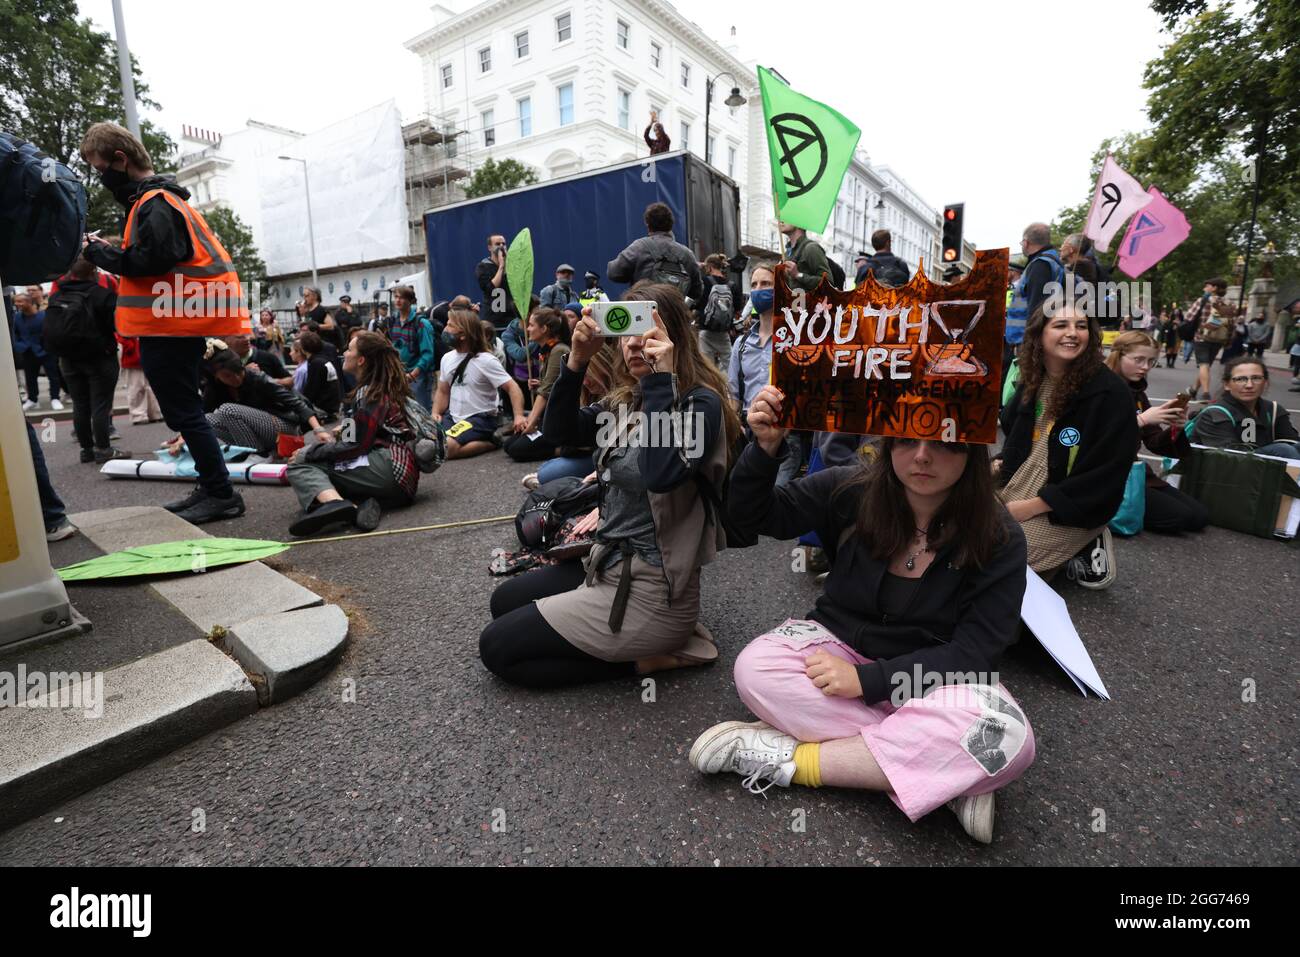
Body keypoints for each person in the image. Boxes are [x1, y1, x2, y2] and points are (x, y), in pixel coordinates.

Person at [688, 393, 1032, 844]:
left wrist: (867, 681)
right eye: (908, 439)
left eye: (945, 442)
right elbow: (750, 518)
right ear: (888, 443)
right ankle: (947, 775)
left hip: (935, 678)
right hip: (836, 645)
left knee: (1009, 735)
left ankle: (789, 758)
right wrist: (765, 448)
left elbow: (976, 652)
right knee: (755, 667)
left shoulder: (999, 535)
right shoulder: (850, 489)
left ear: (972, 451)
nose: (923, 455)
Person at [478, 282, 742, 687]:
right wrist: (576, 362)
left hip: (653, 591)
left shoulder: (698, 403)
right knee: (503, 602)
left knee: (497, 649)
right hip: (606, 564)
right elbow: (560, 431)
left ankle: (652, 659)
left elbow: (660, 475)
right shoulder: (628, 399)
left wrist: (661, 382)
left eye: (647, 332)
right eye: (627, 332)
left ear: (674, 339)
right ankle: (606, 629)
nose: (634, 345)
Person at [79, 121, 248, 524]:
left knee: (185, 412)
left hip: (171, 324)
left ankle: (220, 493)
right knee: (185, 411)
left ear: (121, 160)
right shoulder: (158, 201)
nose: (102, 177)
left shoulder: (154, 201)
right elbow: (157, 258)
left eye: (101, 168)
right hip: (173, 322)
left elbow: (153, 261)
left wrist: (100, 253)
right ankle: (212, 486)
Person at [995, 300, 1137, 586]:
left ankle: (1089, 539)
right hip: (1018, 485)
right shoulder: (1033, 380)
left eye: (1081, 326)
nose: (1073, 333)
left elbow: (1107, 473)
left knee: (1001, 556)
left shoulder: (1110, 394)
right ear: (1039, 334)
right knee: (952, 532)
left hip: (1071, 504)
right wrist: (995, 467)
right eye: (1061, 325)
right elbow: (1015, 438)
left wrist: (1034, 506)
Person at [287, 332, 424, 536]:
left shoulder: (369, 393)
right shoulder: (376, 388)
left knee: (300, 464)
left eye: (349, 349)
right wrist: (343, 431)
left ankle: (337, 506)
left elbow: (354, 446)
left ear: (361, 360)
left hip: (390, 469)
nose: (344, 352)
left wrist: (309, 452)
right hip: (403, 484)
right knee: (326, 463)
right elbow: (353, 437)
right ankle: (359, 505)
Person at [1105, 332, 1209, 534]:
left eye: (1151, 361)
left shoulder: (1137, 393)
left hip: (1132, 471)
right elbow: (1093, 434)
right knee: (1180, 518)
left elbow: (1154, 442)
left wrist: (1175, 426)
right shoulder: (1100, 386)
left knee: (1199, 516)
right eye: (1138, 359)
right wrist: (1141, 420)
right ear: (1118, 355)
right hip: (1104, 473)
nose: (1145, 367)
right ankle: (1101, 512)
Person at [46, 256, 128, 463]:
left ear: (72, 272)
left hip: (68, 359)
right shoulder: (102, 295)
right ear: (94, 272)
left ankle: (86, 450)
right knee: (100, 404)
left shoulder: (57, 296)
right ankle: (103, 448)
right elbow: (118, 326)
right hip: (99, 357)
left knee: (80, 404)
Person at [728, 264, 801, 487]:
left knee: (776, 495)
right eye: (754, 285)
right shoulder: (741, 345)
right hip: (749, 434)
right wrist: (734, 427)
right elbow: (733, 394)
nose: (759, 290)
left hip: (785, 434)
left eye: (766, 284)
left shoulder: (797, 341)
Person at [201, 342, 331, 455]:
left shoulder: (256, 377)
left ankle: (258, 453)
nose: (236, 379)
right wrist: (183, 438)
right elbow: (202, 416)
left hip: (283, 426)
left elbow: (297, 403)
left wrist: (319, 430)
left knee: (228, 409)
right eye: (227, 376)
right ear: (216, 377)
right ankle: (247, 451)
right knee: (208, 420)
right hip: (256, 432)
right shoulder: (214, 389)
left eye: (238, 371)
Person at [434, 306, 527, 459]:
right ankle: (462, 440)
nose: (445, 329)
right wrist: (435, 413)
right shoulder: (447, 358)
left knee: (446, 449)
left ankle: (492, 442)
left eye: (450, 325)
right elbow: (443, 390)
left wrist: (518, 416)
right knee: (430, 444)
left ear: (463, 334)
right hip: (453, 417)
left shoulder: (486, 360)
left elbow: (512, 387)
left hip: (480, 419)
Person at [523, 342, 616, 488]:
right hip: (583, 452)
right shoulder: (585, 393)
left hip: (603, 459)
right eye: (583, 375)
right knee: (519, 448)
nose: (585, 382)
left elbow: (546, 391)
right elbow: (560, 432)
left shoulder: (558, 349)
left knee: (547, 472)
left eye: (590, 374)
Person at [1189, 356, 1300, 460]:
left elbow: (1291, 442)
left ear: (1265, 382)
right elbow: (1228, 459)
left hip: (1262, 471)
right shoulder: (1215, 414)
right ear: (1226, 384)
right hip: (1219, 474)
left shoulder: (1273, 410)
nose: (1249, 385)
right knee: (1282, 450)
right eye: (1240, 379)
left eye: (1256, 378)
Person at [505, 308, 571, 463]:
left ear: (544, 329)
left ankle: (566, 449)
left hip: (559, 419)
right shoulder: (547, 350)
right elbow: (554, 383)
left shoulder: (559, 350)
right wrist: (539, 382)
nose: (527, 329)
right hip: (548, 416)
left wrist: (531, 421)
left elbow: (546, 392)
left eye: (531, 325)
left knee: (517, 449)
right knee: (508, 445)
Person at [607, 202, 704, 305]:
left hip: (645, 314)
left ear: (648, 225)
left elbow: (614, 273)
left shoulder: (639, 246)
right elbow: (697, 292)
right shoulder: (687, 254)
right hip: (675, 316)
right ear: (671, 225)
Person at [1004, 223, 1065, 385]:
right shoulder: (1050, 263)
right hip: (1033, 341)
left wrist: (1029, 344)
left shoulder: (1040, 265)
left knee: (1027, 388)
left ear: (1026, 242)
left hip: (1030, 343)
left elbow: (1037, 309)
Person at [1187, 277, 1239, 401]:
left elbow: (1189, 316)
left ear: (1214, 288)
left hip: (1202, 337)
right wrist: (1228, 340)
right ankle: (1193, 389)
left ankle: (1205, 393)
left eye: (1207, 286)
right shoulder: (1230, 303)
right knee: (1205, 366)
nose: (1204, 288)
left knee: (1203, 365)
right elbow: (1232, 323)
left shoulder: (1203, 300)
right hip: (1219, 339)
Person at [12, 290, 64, 411]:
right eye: (16, 302)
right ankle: (32, 400)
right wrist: (19, 345)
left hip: (46, 351)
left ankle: (55, 398)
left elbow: (51, 333)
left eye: (20, 301)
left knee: (53, 376)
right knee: (30, 378)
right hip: (27, 352)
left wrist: (49, 347)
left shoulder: (44, 316)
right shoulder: (17, 317)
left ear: (29, 302)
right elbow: (15, 333)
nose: (17, 304)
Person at [388, 285, 436, 411]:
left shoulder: (421, 323)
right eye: (396, 297)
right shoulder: (393, 321)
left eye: (402, 297)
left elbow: (428, 354)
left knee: (422, 412)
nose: (398, 300)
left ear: (410, 301)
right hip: (400, 375)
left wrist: (414, 374)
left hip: (418, 377)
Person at [295, 330, 342, 421]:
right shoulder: (323, 359)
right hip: (332, 404)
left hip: (323, 407)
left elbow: (312, 390)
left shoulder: (316, 363)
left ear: (304, 348)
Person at [696, 253, 733, 368]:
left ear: (710, 267)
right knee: (730, 365)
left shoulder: (704, 282)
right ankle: (732, 385)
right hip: (724, 332)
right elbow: (736, 306)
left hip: (706, 331)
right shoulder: (731, 284)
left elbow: (697, 303)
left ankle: (712, 385)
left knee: (708, 367)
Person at [476, 233, 518, 329]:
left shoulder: (512, 266)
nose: (501, 246)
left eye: (503, 244)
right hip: (494, 319)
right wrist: (501, 267)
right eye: (497, 244)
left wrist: (508, 263)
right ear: (489, 248)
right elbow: (490, 288)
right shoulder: (483, 266)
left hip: (512, 317)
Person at [777, 223, 831, 293]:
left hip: (808, 302)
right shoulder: (787, 254)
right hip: (791, 302)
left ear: (799, 221)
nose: (781, 221)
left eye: (787, 218)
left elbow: (828, 283)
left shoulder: (811, 248)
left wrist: (798, 275)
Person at [225, 331, 292, 387]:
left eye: (246, 335)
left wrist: (269, 381)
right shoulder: (223, 362)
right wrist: (244, 372)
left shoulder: (267, 357)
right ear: (227, 340)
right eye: (239, 337)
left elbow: (290, 381)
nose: (246, 339)